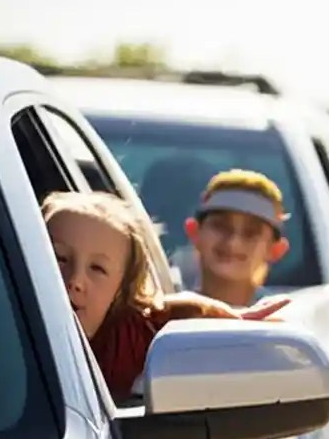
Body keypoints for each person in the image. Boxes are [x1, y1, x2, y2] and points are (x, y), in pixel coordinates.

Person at [43, 191, 287, 402]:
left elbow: (166, 313)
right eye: (59, 258)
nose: (74, 280)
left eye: (97, 269)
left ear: (122, 293)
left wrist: (222, 318)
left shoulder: (126, 337)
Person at [182, 169, 291, 307]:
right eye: (220, 226)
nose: (233, 243)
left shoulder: (286, 322)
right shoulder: (160, 318)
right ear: (194, 232)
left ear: (276, 250)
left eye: (251, 233)